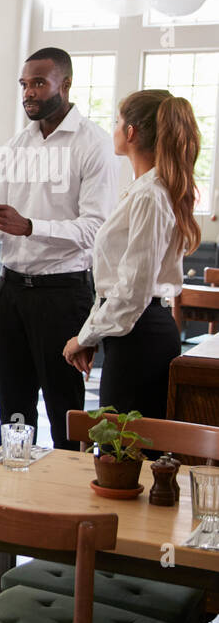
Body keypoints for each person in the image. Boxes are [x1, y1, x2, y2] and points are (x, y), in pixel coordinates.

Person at [0, 47, 116, 449]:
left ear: (66, 83)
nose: (29, 93)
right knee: (13, 405)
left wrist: (29, 226)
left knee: (65, 408)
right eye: (24, 84)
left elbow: (96, 228)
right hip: (10, 292)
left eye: (39, 83)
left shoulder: (93, 144)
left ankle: (67, 504)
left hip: (63, 293)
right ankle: (16, 493)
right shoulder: (16, 146)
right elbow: (3, 226)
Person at [63, 90, 201, 419]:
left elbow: (132, 291)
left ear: (131, 132)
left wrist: (84, 337)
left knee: (124, 452)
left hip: (141, 334)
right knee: (123, 451)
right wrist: (96, 333)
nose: (113, 128)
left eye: (117, 121)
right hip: (135, 331)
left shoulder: (150, 196)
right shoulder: (146, 190)